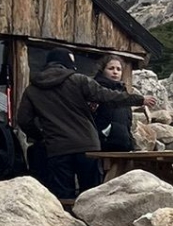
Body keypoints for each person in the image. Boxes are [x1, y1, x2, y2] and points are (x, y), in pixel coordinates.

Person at [15, 47, 148, 199]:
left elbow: (24, 120)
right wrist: (137, 99)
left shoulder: (32, 89)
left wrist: (41, 136)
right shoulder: (78, 80)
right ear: (67, 63)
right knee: (91, 196)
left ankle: (66, 221)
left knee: (63, 196)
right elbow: (108, 96)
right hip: (87, 145)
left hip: (57, 147)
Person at [94, 53, 137, 152]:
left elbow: (127, 121)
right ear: (103, 70)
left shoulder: (123, 92)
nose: (115, 72)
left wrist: (130, 142)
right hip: (102, 146)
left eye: (118, 69)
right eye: (111, 68)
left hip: (123, 145)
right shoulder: (97, 90)